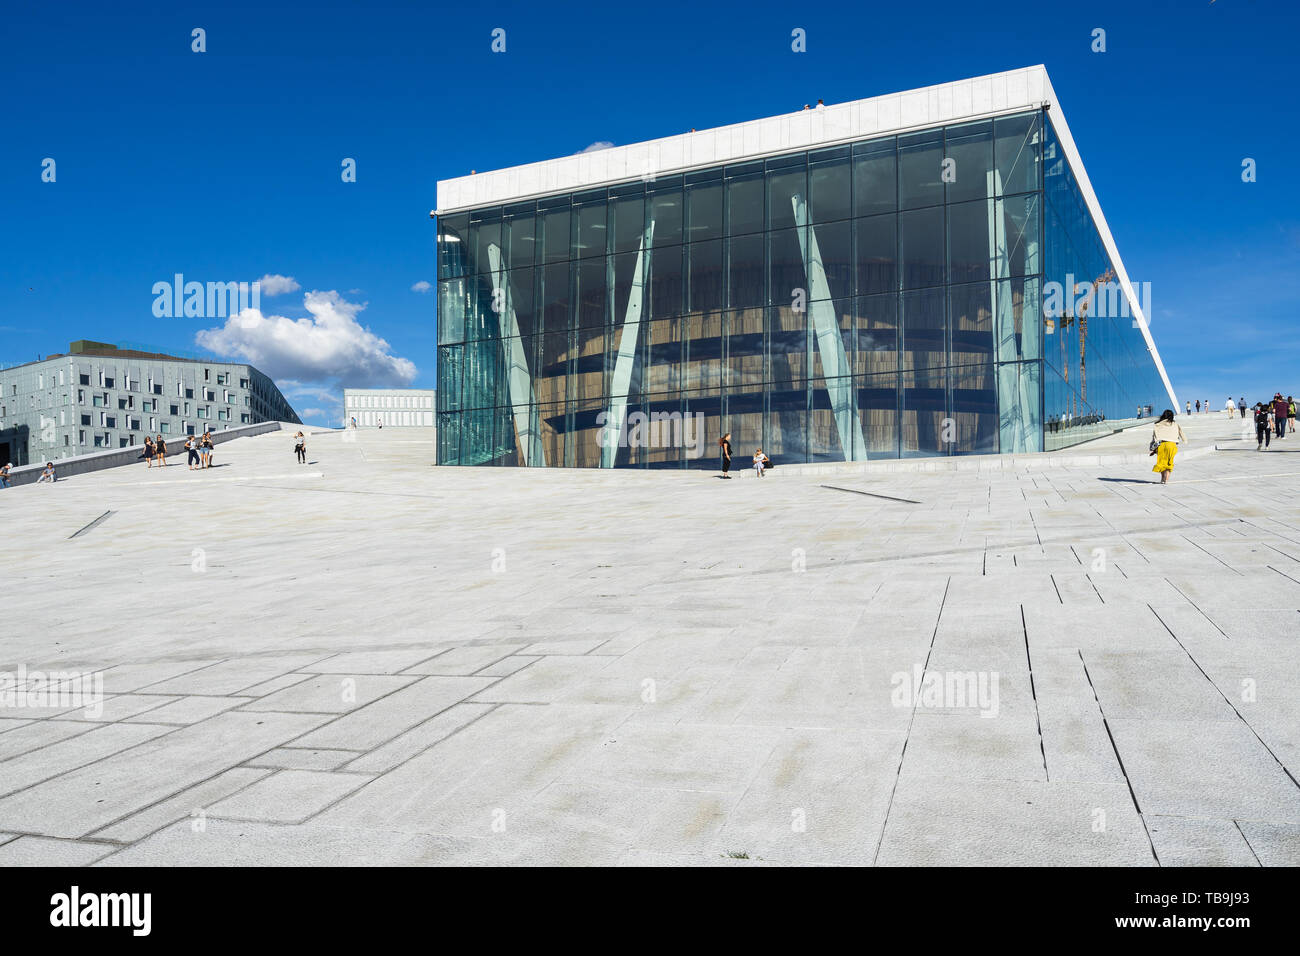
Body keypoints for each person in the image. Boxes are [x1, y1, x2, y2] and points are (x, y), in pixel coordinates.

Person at [1150, 410, 1186, 484]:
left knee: (1162, 462)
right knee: (1169, 463)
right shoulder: (1175, 424)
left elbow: (1154, 436)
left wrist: (1152, 448)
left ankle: (1162, 479)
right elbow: (1181, 432)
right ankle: (1166, 479)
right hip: (1172, 445)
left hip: (1162, 445)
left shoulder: (1158, 424)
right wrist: (1184, 440)